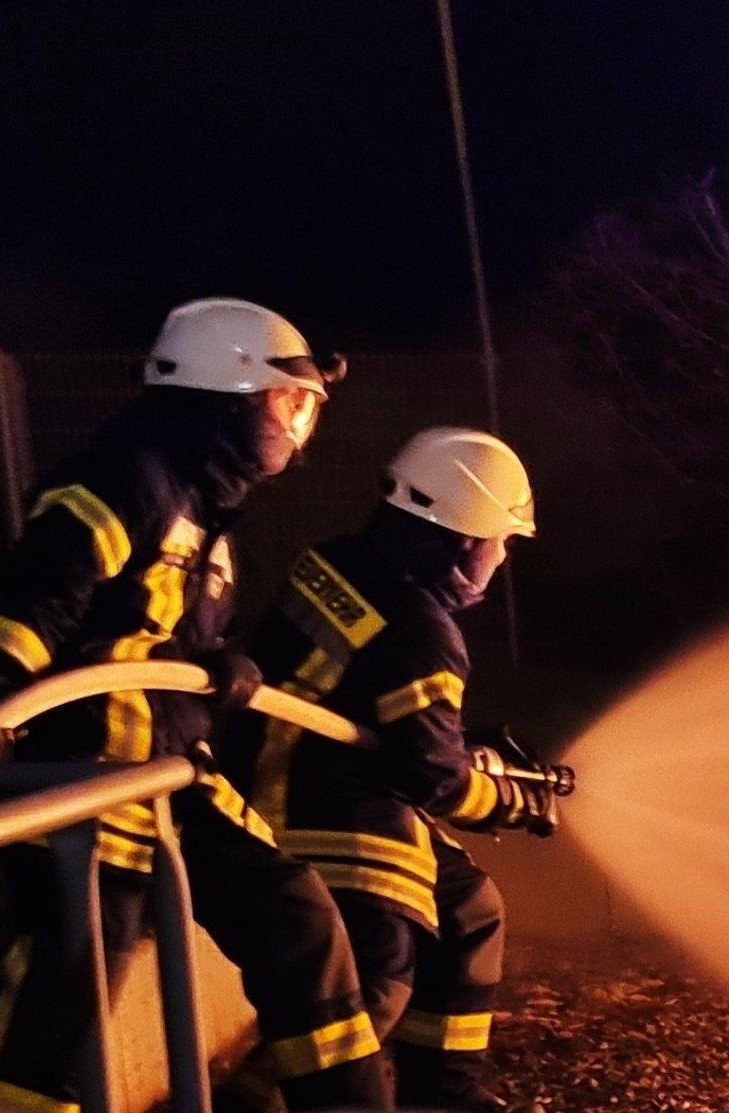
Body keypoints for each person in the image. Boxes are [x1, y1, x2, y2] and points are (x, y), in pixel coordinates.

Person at [0, 298, 388, 1112]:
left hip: (172, 780)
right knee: (64, 996)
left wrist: (213, 668)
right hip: (85, 783)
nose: (298, 427)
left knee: (298, 924)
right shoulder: (124, 480)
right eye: (290, 402)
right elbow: (40, 601)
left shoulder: (207, 517)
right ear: (227, 392)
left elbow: (152, 641)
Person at [217, 427, 552, 1113]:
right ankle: (255, 1100)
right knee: (375, 979)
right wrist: (511, 802)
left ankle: (444, 1097)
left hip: (312, 777)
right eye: (504, 541)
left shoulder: (336, 562)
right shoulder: (422, 629)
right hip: (317, 811)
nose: (503, 558)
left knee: (470, 909)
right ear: (468, 536)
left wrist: (455, 746)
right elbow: (433, 777)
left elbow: (366, 700)